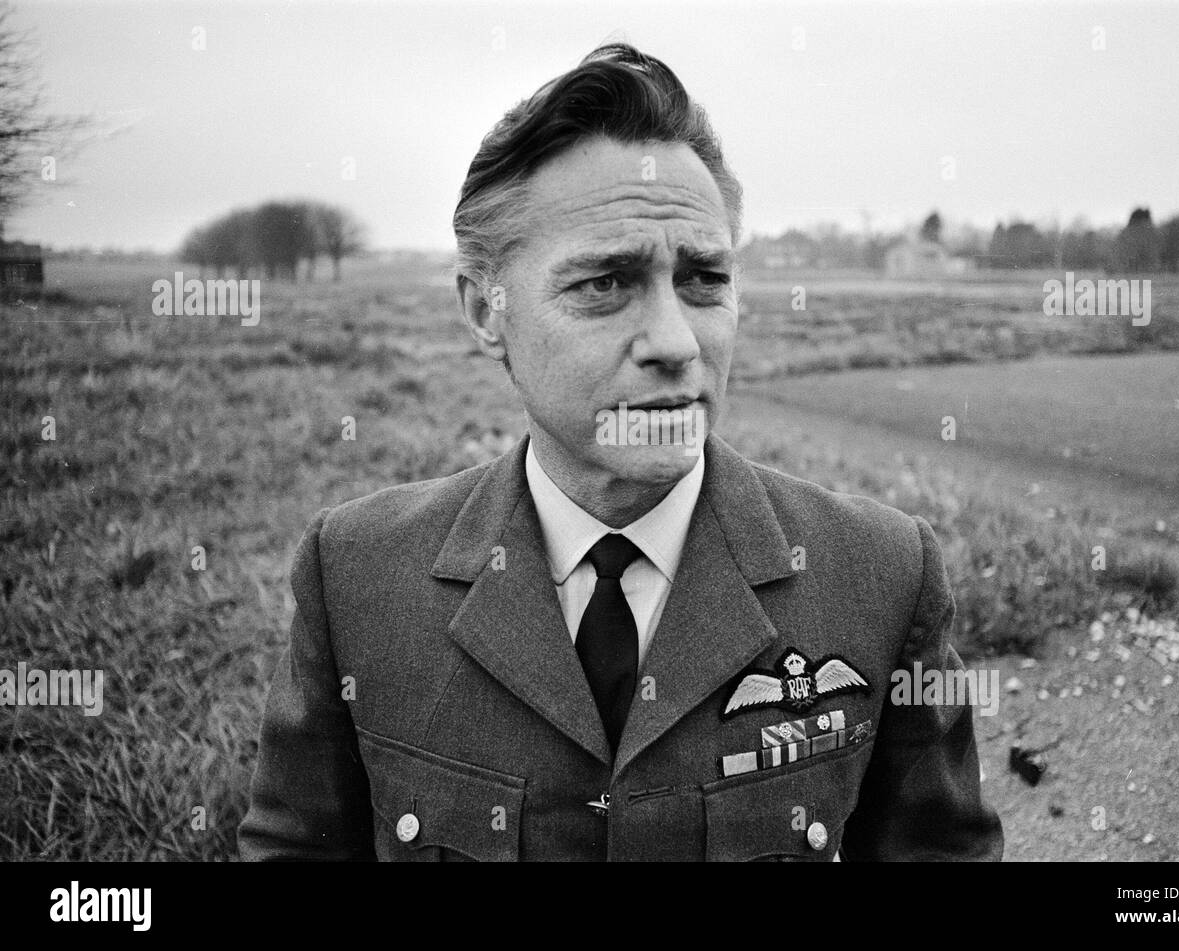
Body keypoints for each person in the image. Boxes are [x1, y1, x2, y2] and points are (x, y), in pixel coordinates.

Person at [238, 42, 1002, 861]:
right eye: (605, 283)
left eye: (704, 278)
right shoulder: (358, 575)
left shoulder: (877, 574)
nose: (676, 342)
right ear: (485, 311)